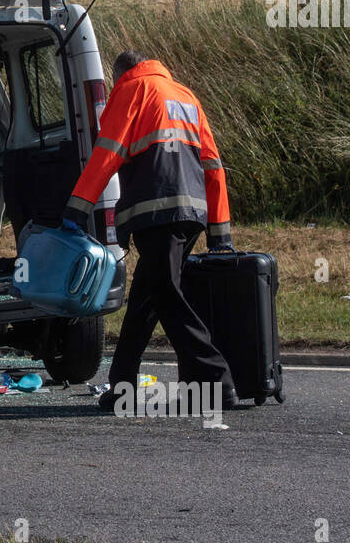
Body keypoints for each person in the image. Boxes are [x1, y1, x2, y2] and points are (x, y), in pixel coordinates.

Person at [60, 51, 237, 412]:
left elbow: (106, 155)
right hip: (191, 215)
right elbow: (214, 166)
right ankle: (121, 388)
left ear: (121, 74)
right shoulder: (185, 96)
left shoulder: (131, 92)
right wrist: (220, 233)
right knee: (144, 301)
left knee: (168, 298)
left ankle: (219, 382)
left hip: (157, 213)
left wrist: (77, 208)